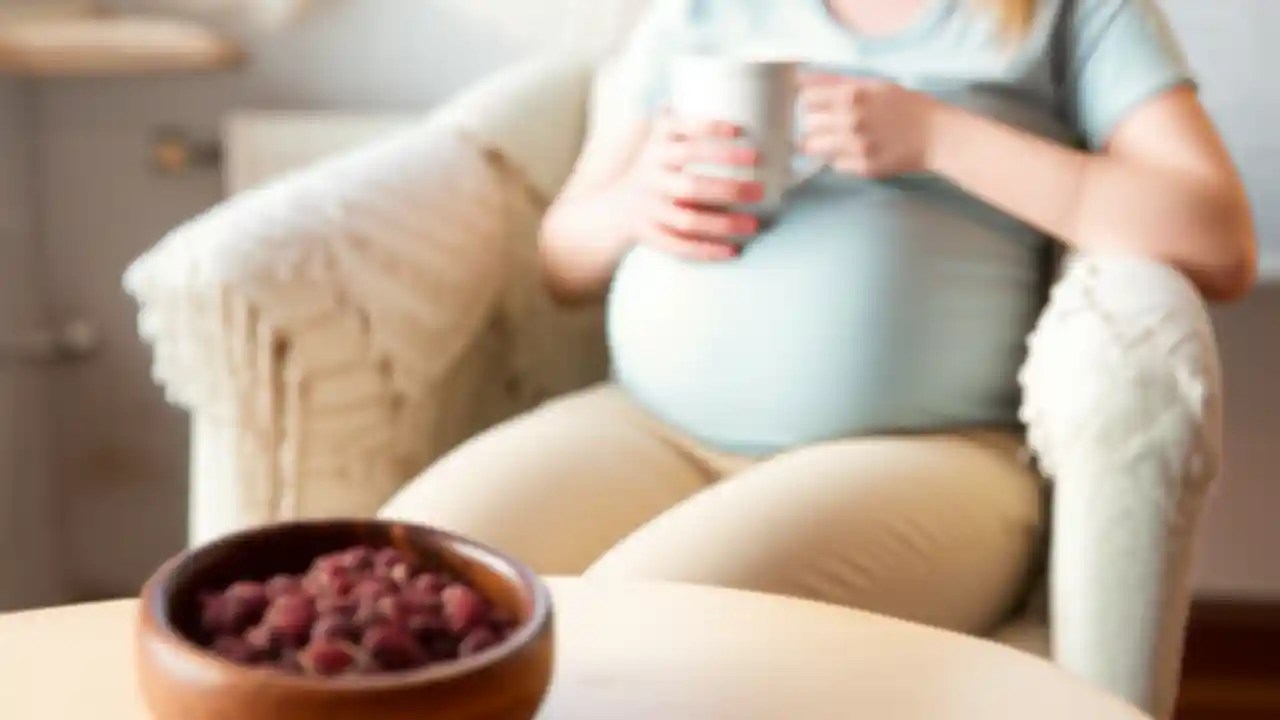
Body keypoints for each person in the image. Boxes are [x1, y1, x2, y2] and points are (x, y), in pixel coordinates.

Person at [381, 0, 1255, 635]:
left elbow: (1218, 236)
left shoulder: (1059, 15)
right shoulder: (698, 12)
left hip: (926, 454)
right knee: (395, 578)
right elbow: (560, 259)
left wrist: (941, 139)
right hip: (653, 430)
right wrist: (634, 205)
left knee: (640, 634)